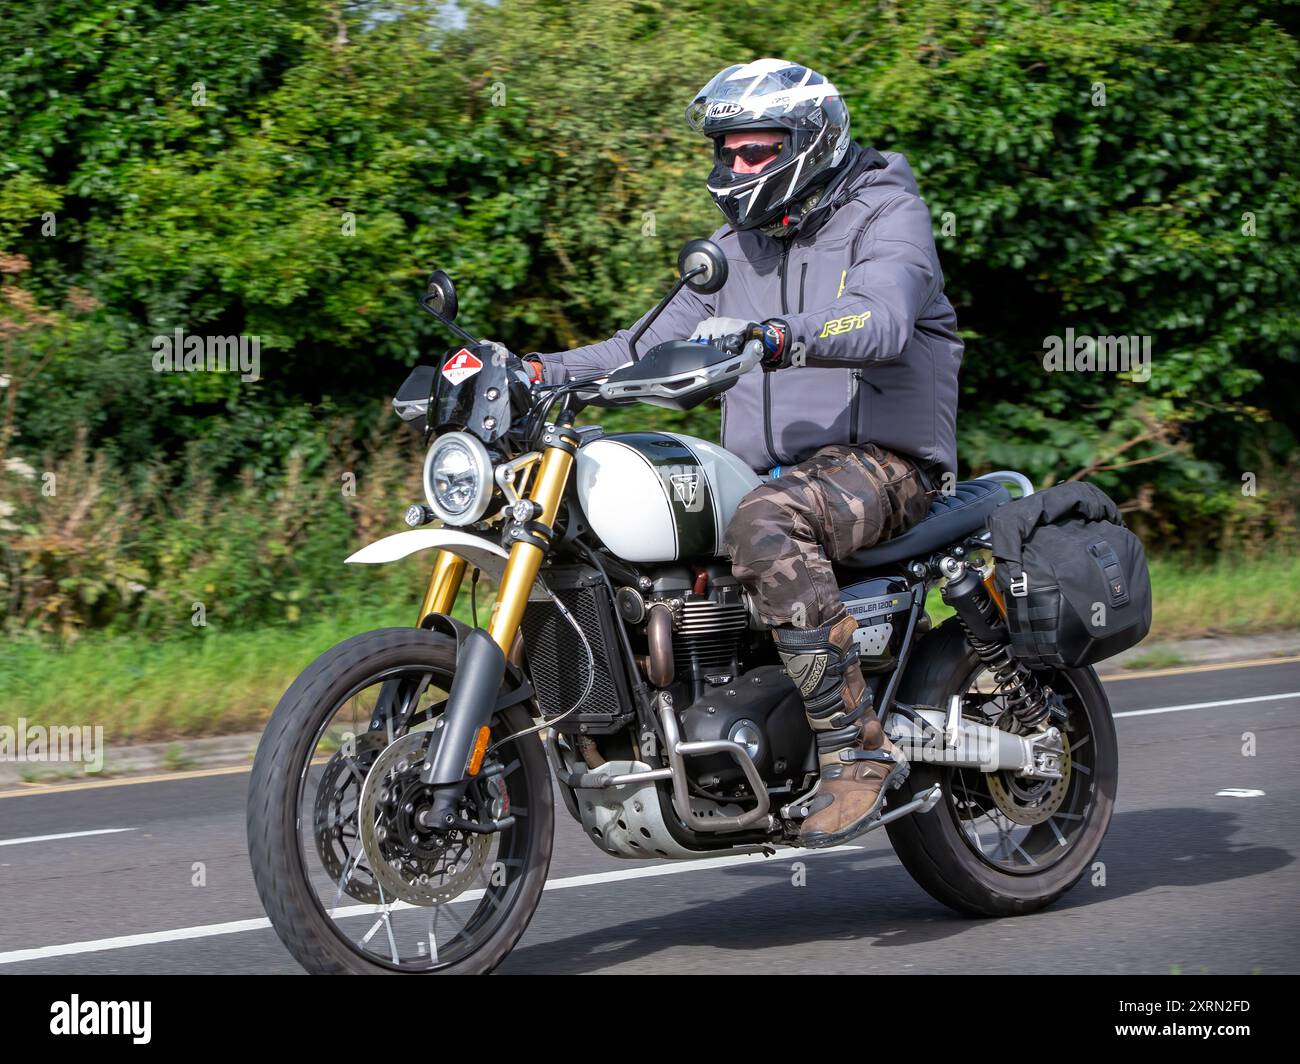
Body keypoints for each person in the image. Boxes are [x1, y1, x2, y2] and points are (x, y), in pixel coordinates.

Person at [524, 58, 963, 848]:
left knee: (767, 520)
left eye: (755, 152)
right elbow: (638, 349)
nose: (734, 168)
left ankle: (854, 745)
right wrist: (532, 371)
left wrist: (777, 336)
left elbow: (883, 316)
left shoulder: (887, 212)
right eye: (726, 152)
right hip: (767, 473)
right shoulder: (734, 249)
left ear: (811, 140)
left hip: (885, 466)